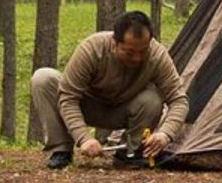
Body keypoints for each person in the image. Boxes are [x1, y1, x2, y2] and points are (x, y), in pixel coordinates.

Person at [32, 11, 188, 169]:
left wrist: (165, 134)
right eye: (129, 52)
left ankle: (131, 152)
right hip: (87, 106)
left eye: (143, 51)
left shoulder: (157, 56)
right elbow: (68, 98)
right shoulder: (93, 48)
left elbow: (179, 100)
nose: (137, 58)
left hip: (125, 109)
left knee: (153, 98)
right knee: (43, 78)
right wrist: (83, 138)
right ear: (114, 42)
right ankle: (61, 150)